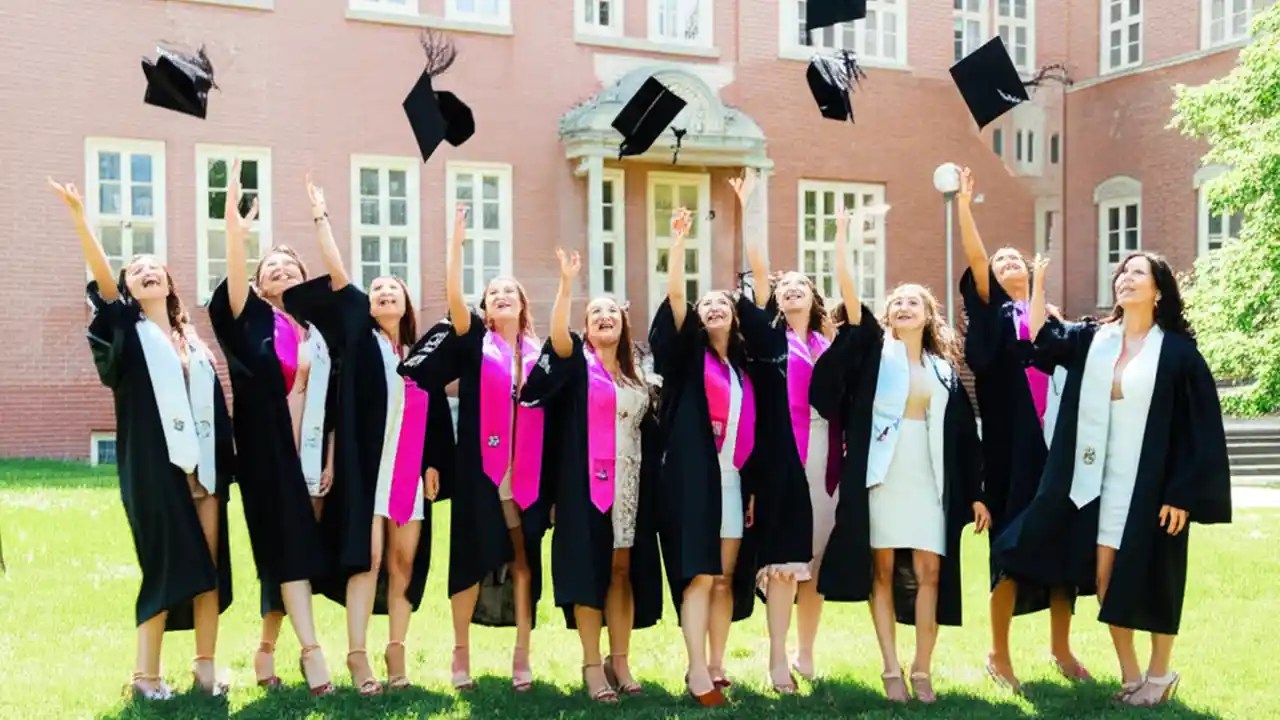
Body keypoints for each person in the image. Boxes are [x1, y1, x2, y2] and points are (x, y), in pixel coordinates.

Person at [994, 253, 1232, 707]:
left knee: (1159, 574)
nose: (1126, 278)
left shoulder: (1178, 353)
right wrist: (1039, 282)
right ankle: (1131, 673)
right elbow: (1042, 337)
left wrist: (1182, 492)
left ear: (1158, 289)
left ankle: (1160, 675)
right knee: (1106, 578)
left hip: (1154, 483)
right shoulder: (1097, 339)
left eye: (1137, 273)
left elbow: (1197, 428)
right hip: (1099, 478)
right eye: (1122, 273)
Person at [50, 178, 234, 699]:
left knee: (209, 568)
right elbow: (104, 284)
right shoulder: (127, 332)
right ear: (129, 288)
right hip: (156, 470)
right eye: (137, 270)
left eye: (155, 266)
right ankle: (144, 676)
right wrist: (82, 219)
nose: (146, 271)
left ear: (171, 282)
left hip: (205, 472)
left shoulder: (190, 340)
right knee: (164, 565)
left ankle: (204, 668)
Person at [279, 176, 456, 694]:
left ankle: (395, 653)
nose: (381, 292)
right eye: (375, 289)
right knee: (369, 559)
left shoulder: (421, 357)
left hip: (408, 471)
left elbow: (437, 417)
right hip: (367, 470)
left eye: (390, 288)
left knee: (404, 562)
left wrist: (433, 464)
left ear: (405, 302)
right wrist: (320, 216)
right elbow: (336, 274)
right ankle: (358, 658)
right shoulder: (360, 336)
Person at [810, 206, 989, 704]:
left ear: (929, 315)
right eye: (898, 302)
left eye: (915, 302)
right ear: (888, 315)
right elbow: (847, 289)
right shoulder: (873, 352)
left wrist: (976, 492)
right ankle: (891, 668)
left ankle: (923, 670)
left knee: (931, 571)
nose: (905, 307)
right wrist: (842, 236)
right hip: (881, 474)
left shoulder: (943, 370)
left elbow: (963, 437)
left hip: (930, 477)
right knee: (883, 571)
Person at [400, 203, 551, 692]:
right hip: (479, 472)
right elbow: (453, 299)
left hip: (526, 475)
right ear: (485, 307)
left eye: (510, 292)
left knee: (525, 562)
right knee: (467, 560)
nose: (502, 296)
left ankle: (522, 655)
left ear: (523, 305)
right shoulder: (472, 343)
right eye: (494, 293)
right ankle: (460, 652)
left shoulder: (539, 354)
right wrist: (457, 247)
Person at [955, 167, 1087, 691]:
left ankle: (1061, 648)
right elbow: (974, 258)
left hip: (1056, 445)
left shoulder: (1051, 321)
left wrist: (1042, 288)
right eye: (1000, 259)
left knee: (1061, 543)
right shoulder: (991, 314)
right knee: (1009, 549)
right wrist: (964, 207)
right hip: (1012, 450)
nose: (1008, 262)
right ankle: (999, 653)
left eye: (1016, 259)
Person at [206, 160, 335, 696]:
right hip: (267, 458)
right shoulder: (249, 317)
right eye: (271, 269)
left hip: (311, 460)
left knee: (288, 555)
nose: (281, 273)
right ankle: (314, 656)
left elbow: (333, 401)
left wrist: (329, 458)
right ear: (258, 283)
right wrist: (236, 232)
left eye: (289, 268)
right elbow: (235, 279)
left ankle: (264, 652)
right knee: (292, 550)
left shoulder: (316, 330)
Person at [518, 249, 664, 703]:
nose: (605, 317)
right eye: (595, 312)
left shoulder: (638, 371)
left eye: (612, 312)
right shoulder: (576, 362)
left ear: (623, 323)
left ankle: (618, 660)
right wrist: (566, 284)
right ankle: (589, 665)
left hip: (631, 486)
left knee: (623, 570)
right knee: (588, 570)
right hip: (583, 485)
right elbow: (558, 336)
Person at [647, 207, 769, 706]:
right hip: (692, 480)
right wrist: (679, 244)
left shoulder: (741, 367)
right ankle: (696, 670)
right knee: (698, 574)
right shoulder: (685, 360)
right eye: (707, 305)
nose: (714, 308)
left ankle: (718, 665)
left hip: (731, 479)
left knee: (723, 578)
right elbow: (676, 297)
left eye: (723, 304)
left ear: (734, 316)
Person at [732, 171, 826, 692]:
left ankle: (806, 652)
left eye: (800, 286)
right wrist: (748, 208)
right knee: (788, 560)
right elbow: (761, 272)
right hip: (781, 456)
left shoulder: (823, 344)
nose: (789, 290)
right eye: (783, 287)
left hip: (823, 458)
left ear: (813, 298)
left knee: (814, 558)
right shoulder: (769, 338)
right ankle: (776, 658)